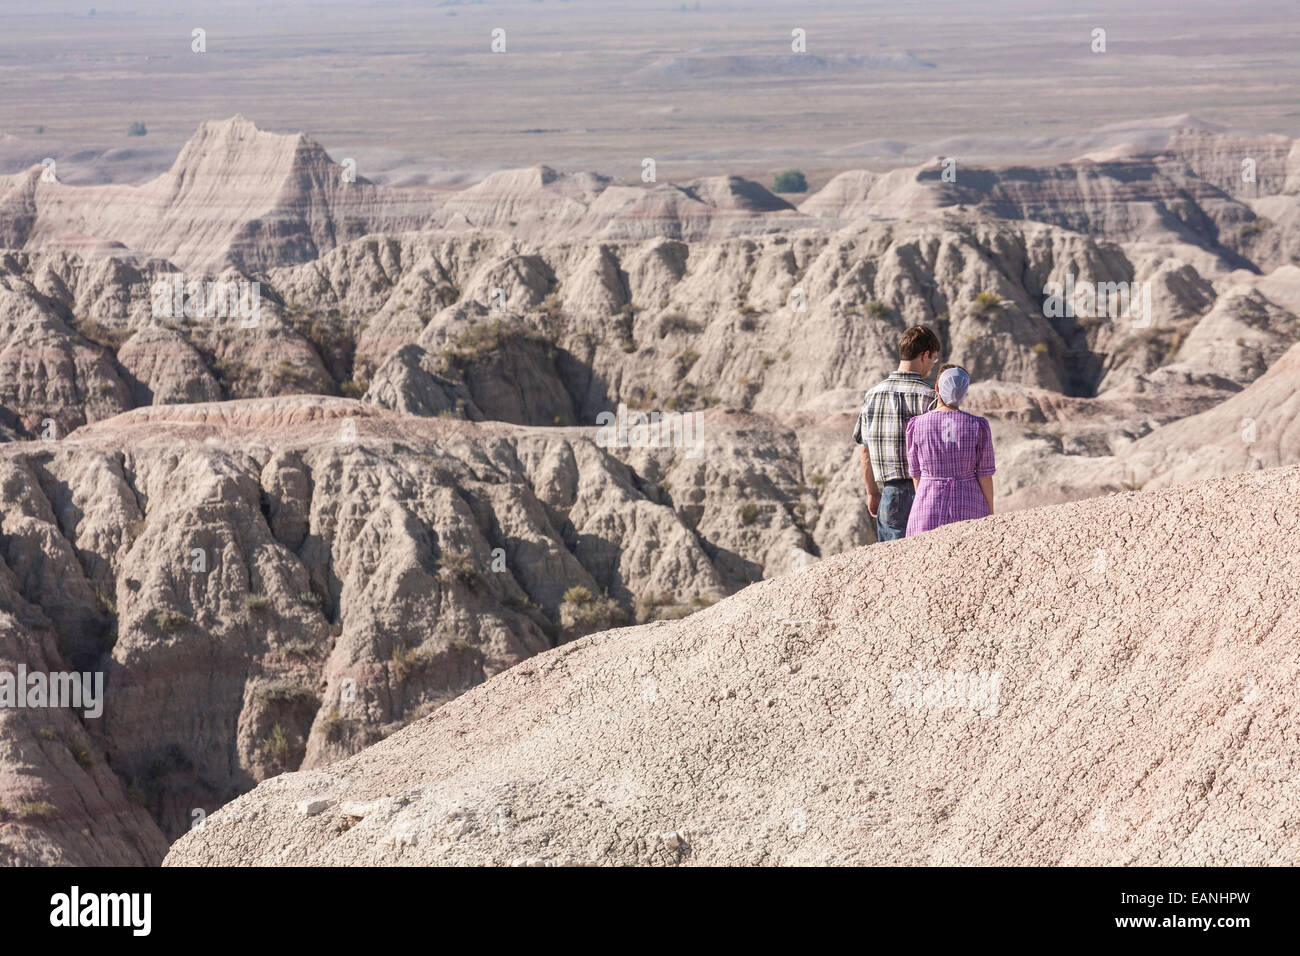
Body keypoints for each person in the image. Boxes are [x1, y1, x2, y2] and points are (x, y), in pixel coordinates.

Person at [853, 325, 942, 542]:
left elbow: (865, 452)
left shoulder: (872, 396)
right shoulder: (930, 397)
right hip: (926, 490)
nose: (931, 365)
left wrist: (872, 492)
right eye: (933, 359)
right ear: (925, 355)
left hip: (890, 494)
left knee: (893, 566)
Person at [904, 366, 996, 536]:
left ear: (937, 389)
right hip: (970, 503)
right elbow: (984, 474)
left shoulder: (916, 425)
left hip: (928, 504)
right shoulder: (978, 425)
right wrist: (990, 511)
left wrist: (924, 498)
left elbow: (916, 474)